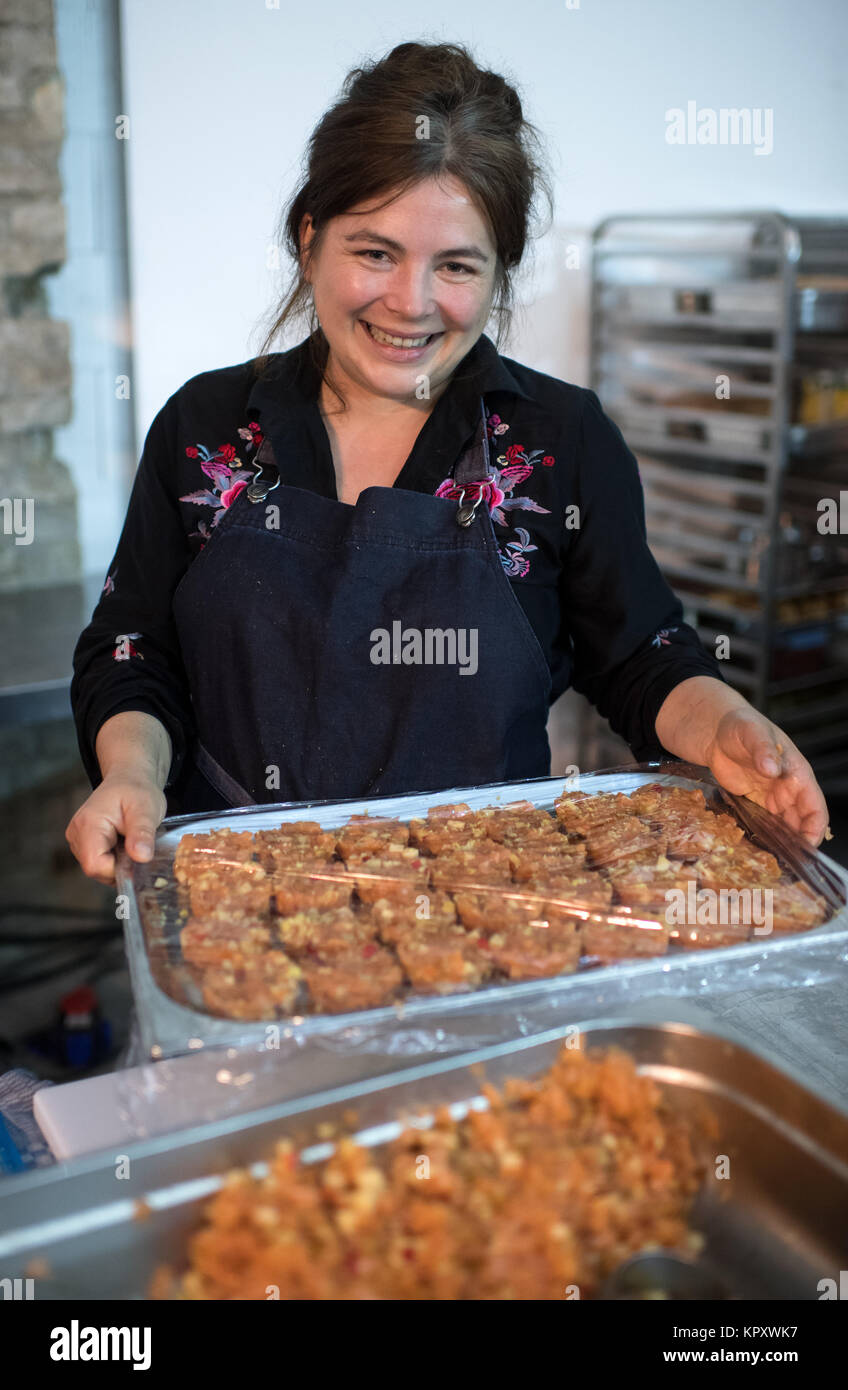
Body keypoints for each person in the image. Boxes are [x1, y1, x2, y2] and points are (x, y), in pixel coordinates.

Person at [66, 41, 829, 885]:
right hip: (239, 904)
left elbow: (642, 654)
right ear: (309, 238)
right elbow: (131, 648)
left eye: (456, 265)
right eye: (375, 252)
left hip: (490, 913)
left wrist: (723, 725)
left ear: (499, 274)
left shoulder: (559, 441)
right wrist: (132, 774)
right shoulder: (205, 428)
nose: (411, 303)